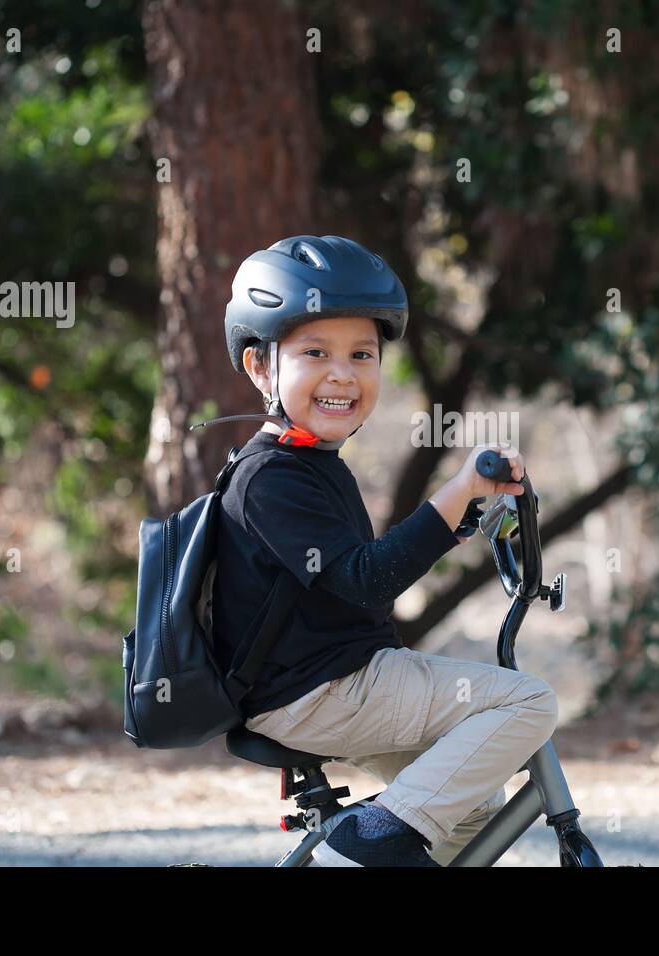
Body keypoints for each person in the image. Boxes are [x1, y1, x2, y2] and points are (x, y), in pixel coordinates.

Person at [212, 235, 558, 866]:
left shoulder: (310, 464)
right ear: (261, 366)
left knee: (474, 804)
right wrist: (456, 488)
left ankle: (384, 845)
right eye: (315, 352)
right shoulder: (270, 476)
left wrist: (452, 522)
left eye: (362, 354)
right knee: (527, 700)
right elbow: (368, 581)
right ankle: (369, 841)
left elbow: (345, 572)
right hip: (319, 691)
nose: (342, 373)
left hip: (328, 685)